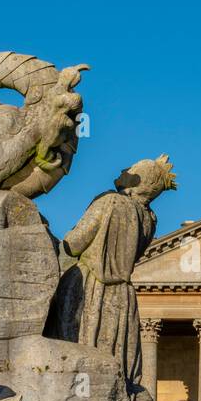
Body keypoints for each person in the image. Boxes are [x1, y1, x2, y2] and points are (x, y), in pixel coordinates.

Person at [51, 156, 176, 385]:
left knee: (77, 352)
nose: (123, 169)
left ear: (141, 180)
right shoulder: (149, 220)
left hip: (88, 287)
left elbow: (73, 244)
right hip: (122, 298)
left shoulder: (109, 202)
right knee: (115, 362)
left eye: (132, 168)